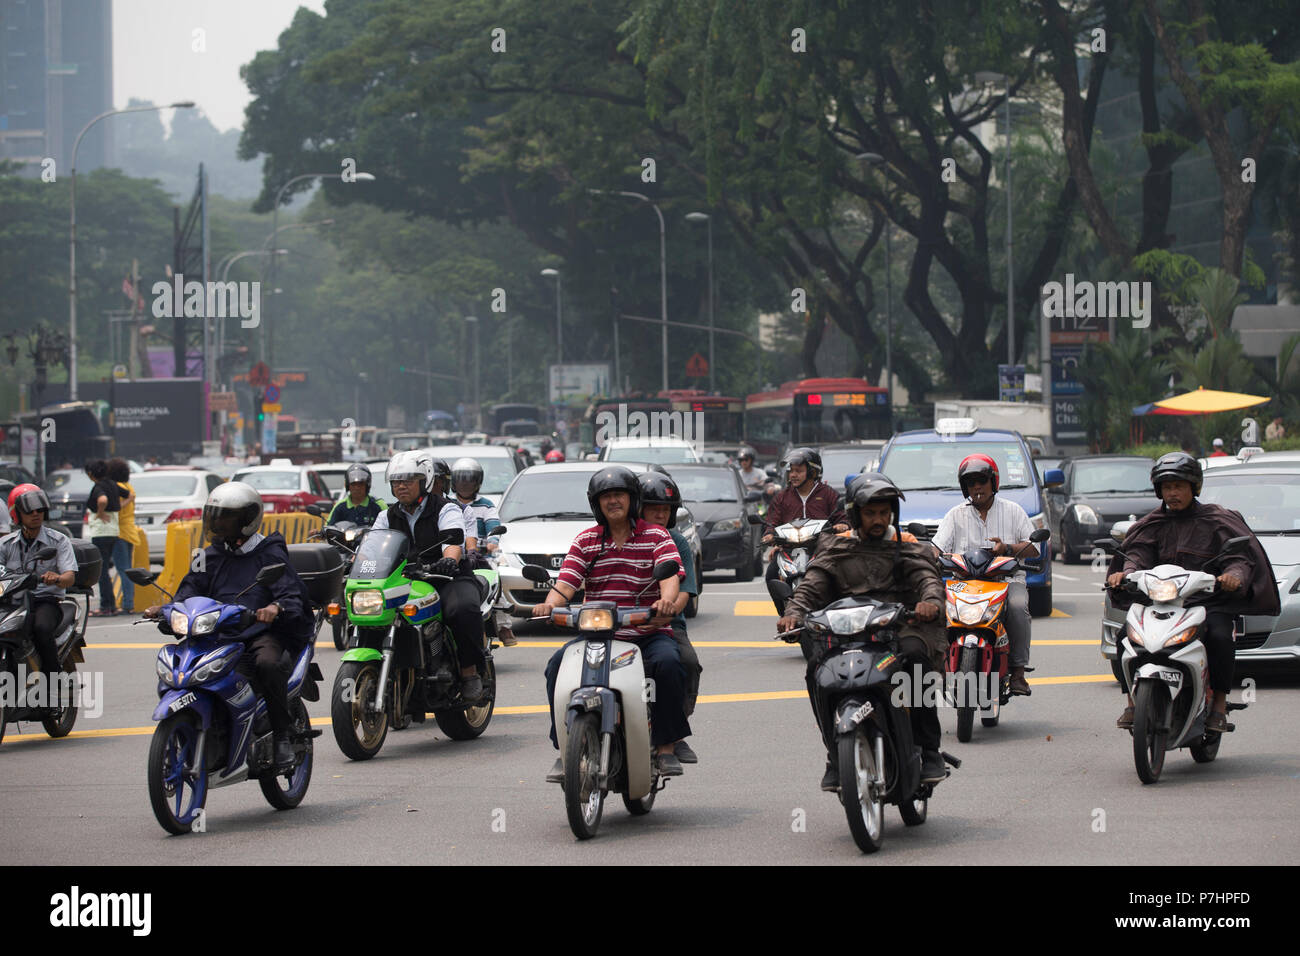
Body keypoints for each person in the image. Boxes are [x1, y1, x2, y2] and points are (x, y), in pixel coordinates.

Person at [778, 473, 947, 790]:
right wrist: (793, 613)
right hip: (849, 635)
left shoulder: (906, 547)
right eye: (871, 513)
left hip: (900, 630)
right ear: (855, 514)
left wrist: (930, 602)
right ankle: (834, 754)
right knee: (818, 670)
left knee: (915, 662)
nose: (879, 520)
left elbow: (928, 579)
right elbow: (810, 588)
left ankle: (929, 750)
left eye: (884, 513)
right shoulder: (836, 548)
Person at [143, 482, 314, 769]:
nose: (218, 523)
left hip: (260, 633)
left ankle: (282, 736)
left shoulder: (269, 553)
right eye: (215, 516)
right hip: (215, 633)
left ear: (247, 520)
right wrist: (166, 609)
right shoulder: (208, 557)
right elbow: (188, 591)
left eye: (226, 517)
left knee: (268, 664)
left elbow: (291, 594)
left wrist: (274, 608)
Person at [1106, 452, 1279, 732]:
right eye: (1167, 487)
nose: (1172, 493)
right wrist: (1124, 574)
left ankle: (1219, 707)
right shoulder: (1151, 524)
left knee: (1221, 636)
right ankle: (1132, 703)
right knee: (1126, 635)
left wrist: (1233, 577)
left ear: (1194, 487)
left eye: (1179, 486)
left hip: (1207, 602)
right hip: (1162, 603)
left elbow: (1239, 559)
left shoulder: (1217, 520)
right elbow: (1136, 555)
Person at [536, 466, 689, 780]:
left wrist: (665, 601)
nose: (613, 501)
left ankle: (666, 748)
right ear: (596, 503)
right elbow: (566, 583)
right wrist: (549, 605)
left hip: (647, 631)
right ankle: (563, 749)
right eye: (606, 496)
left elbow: (670, 575)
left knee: (670, 663)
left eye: (619, 494)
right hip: (598, 634)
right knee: (555, 667)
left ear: (632, 499)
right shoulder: (586, 541)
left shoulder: (656, 535)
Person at [371, 451, 487, 700]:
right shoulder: (386, 516)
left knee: (463, 609)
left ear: (424, 481)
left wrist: (449, 560)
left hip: (447, 578)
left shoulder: (446, 509)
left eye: (408, 480)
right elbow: (373, 546)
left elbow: (454, 542)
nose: (401, 486)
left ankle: (469, 671)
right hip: (405, 581)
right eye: (396, 481)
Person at [932, 454, 1038, 696]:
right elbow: (936, 548)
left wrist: (1008, 549)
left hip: (1006, 582)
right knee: (934, 606)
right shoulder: (955, 514)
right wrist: (925, 556)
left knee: (1018, 606)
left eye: (982, 481)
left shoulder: (1014, 511)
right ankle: (937, 664)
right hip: (963, 584)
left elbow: (1035, 547)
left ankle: (1018, 672)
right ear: (965, 488)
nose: (977, 487)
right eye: (971, 483)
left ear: (993, 482)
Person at [637, 471, 702, 764]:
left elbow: (685, 592)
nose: (661, 515)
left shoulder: (677, 542)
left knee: (687, 663)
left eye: (666, 510)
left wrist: (667, 612)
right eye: (654, 509)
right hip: (620, 623)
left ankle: (674, 734)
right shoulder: (614, 538)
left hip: (667, 625)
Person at [0, 485, 77, 692]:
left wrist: (57, 578)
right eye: (29, 511)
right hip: (11, 601)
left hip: (45, 601)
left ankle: (52, 685)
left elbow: (69, 576)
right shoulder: (5, 544)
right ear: (17, 514)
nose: (35, 515)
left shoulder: (58, 540)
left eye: (39, 510)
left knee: (41, 628)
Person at [762, 447, 848, 612]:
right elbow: (772, 521)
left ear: (813, 472)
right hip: (789, 548)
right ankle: (783, 613)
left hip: (822, 548)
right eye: (791, 471)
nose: (793, 475)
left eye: (799, 471)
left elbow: (841, 516)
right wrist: (769, 534)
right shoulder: (782, 497)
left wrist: (842, 525)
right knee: (771, 574)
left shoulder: (829, 494)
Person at [449, 456, 515, 648]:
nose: (466, 484)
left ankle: (504, 626)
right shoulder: (448, 505)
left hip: (481, 557)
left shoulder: (486, 504)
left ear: (477, 482)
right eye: (462, 479)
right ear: (454, 482)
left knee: (496, 582)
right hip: (453, 558)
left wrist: (492, 542)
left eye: (470, 479)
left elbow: (494, 526)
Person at [83, 459, 122, 617]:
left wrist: (100, 513)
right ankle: (111, 605)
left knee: (102, 571)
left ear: (91, 474)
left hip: (101, 532)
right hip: (113, 531)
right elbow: (130, 495)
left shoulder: (98, 487)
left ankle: (106, 606)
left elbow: (102, 500)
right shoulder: (113, 484)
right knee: (106, 570)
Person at [107, 458, 144, 613]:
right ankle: (129, 602)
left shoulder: (116, 488)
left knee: (123, 569)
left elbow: (117, 509)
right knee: (127, 568)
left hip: (120, 532)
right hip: (129, 531)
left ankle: (128, 604)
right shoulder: (128, 487)